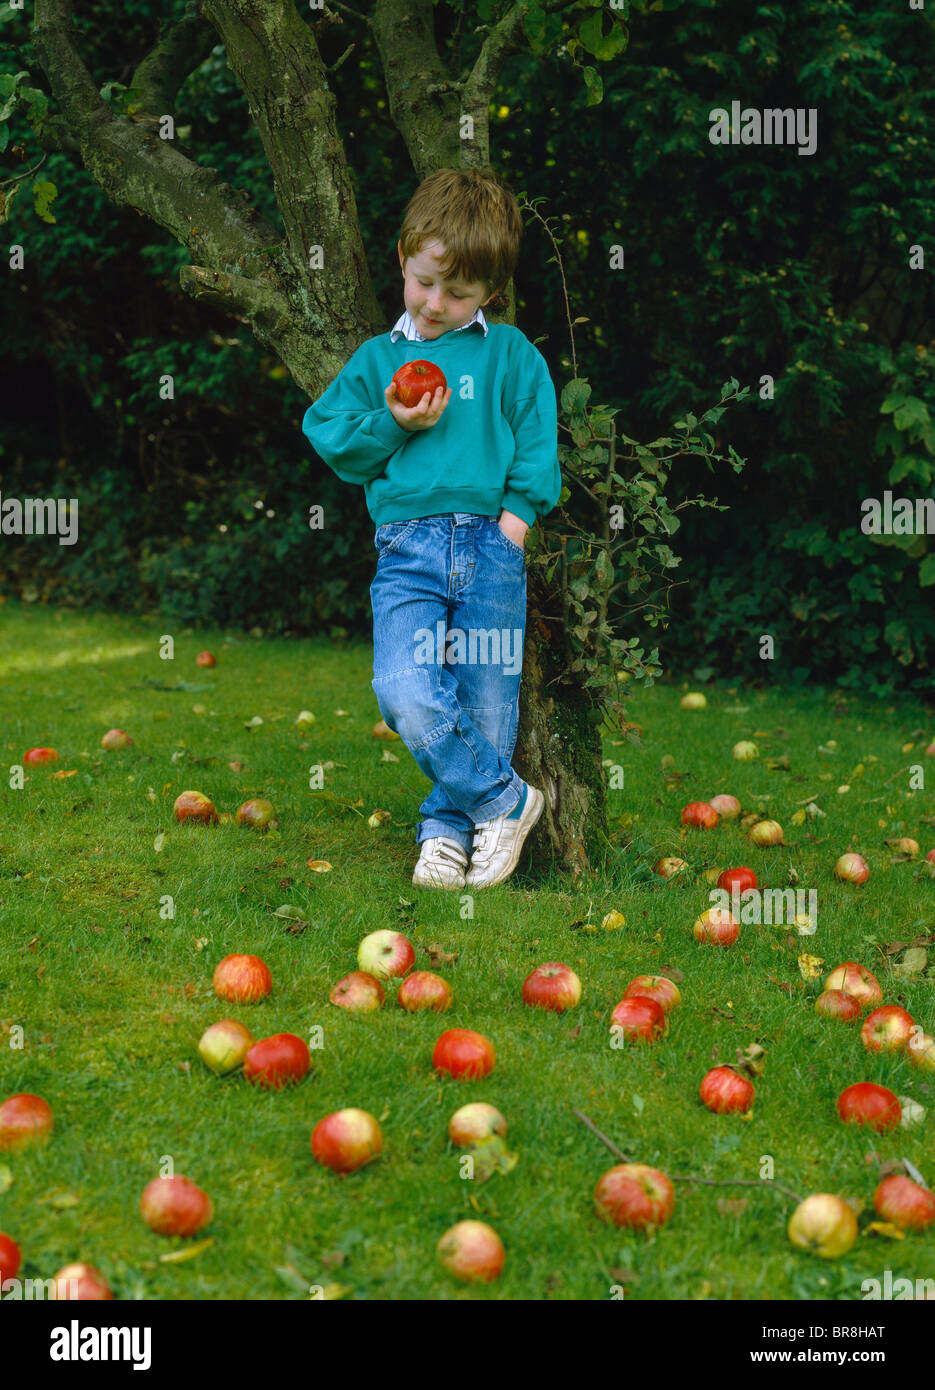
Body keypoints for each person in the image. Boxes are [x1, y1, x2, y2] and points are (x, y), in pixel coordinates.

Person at [302, 167, 562, 891]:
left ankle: (447, 833)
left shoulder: (509, 355)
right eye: (426, 283)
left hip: (489, 548)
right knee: (404, 690)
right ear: (404, 258)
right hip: (407, 551)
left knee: (483, 702)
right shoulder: (379, 360)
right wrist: (393, 419)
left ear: (490, 295)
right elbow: (328, 434)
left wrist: (513, 524)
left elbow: (536, 441)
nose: (437, 304)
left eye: (459, 294)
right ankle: (504, 800)